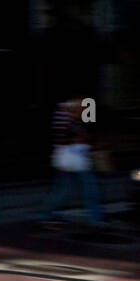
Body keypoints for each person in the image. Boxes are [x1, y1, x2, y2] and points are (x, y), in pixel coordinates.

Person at [44, 94, 104, 228]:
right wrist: (80, 136)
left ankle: (49, 215)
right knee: (89, 189)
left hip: (69, 160)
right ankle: (96, 219)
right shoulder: (65, 117)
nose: (84, 111)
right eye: (82, 108)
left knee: (63, 190)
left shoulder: (66, 116)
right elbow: (66, 137)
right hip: (73, 160)